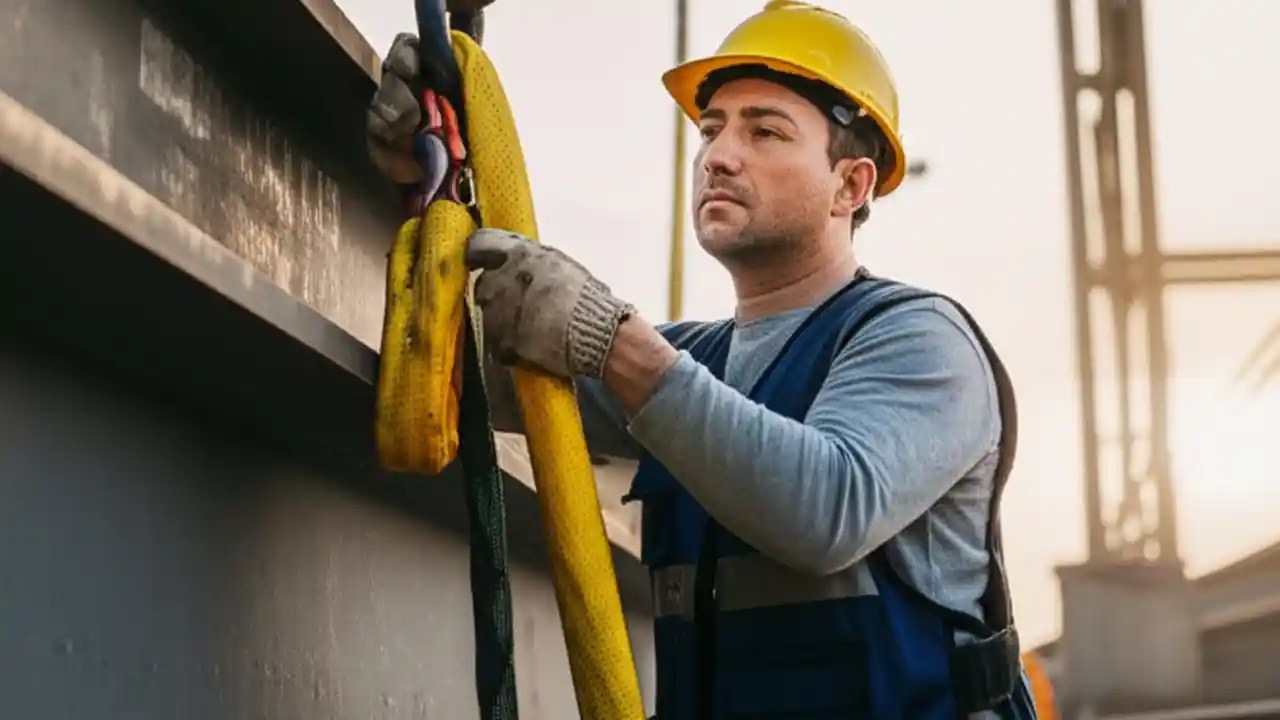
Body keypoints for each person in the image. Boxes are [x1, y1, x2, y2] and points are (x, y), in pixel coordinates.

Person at [366, 1, 1038, 718]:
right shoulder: (696, 363)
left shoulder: (919, 341)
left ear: (852, 185)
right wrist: (426, 174)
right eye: (712, 129)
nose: (719, 154)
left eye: (766, 131)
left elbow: (826, 511)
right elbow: (456, 384)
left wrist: (612, 338)